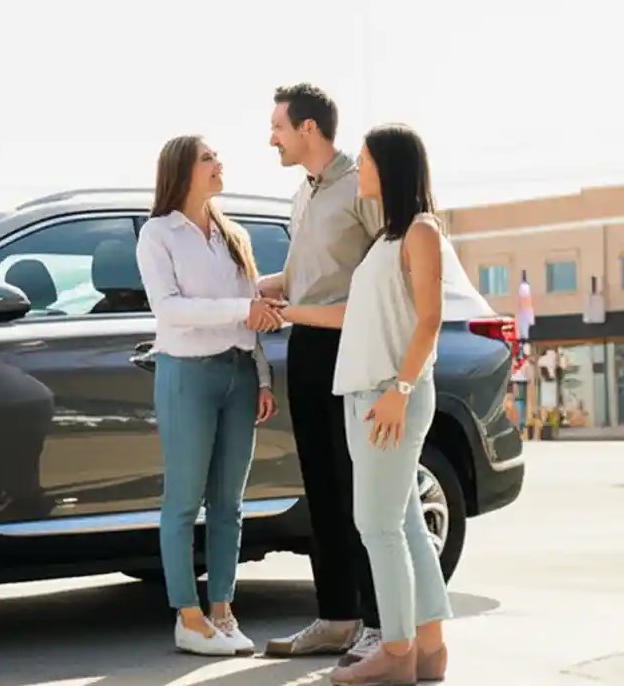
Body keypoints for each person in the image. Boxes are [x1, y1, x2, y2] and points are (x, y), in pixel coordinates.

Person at [280, 122, 453, 684]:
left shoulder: (422, 232)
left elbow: (430, 321)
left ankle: (395, 652)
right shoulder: (385, 239)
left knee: (375, 524)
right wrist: (283, 308)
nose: (362, 169)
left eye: (371, 161)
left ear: (392, 168)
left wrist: (400, 392)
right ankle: (428, 648)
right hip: (366, 392)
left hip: (389, 395)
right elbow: (354, 315)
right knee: (400, 523)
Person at [135, 134, 280, 656]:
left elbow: (252, 310)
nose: (219, 162)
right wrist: (241, 311)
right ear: (182, 170)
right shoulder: (158, 234)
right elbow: (169, 309)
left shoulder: (232, 233)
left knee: (229, 505)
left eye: (217, 156)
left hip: (239, 375)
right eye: (208, 157)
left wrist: (261, 376)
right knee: (183, 502)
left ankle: (222, 611)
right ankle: (188, 617)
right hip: (187, 375)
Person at [258, 83, 385, 664]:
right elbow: (298, 276)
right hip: (305, 348)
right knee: (321, 492)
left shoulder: (361, 187)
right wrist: (237, 290)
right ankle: (337, 617)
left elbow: (393, 268)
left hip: (351, 348)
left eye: (279, 127)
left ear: (308, 129)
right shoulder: (302, 195)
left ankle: (382, 627)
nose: (272, 137)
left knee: (358, 491)